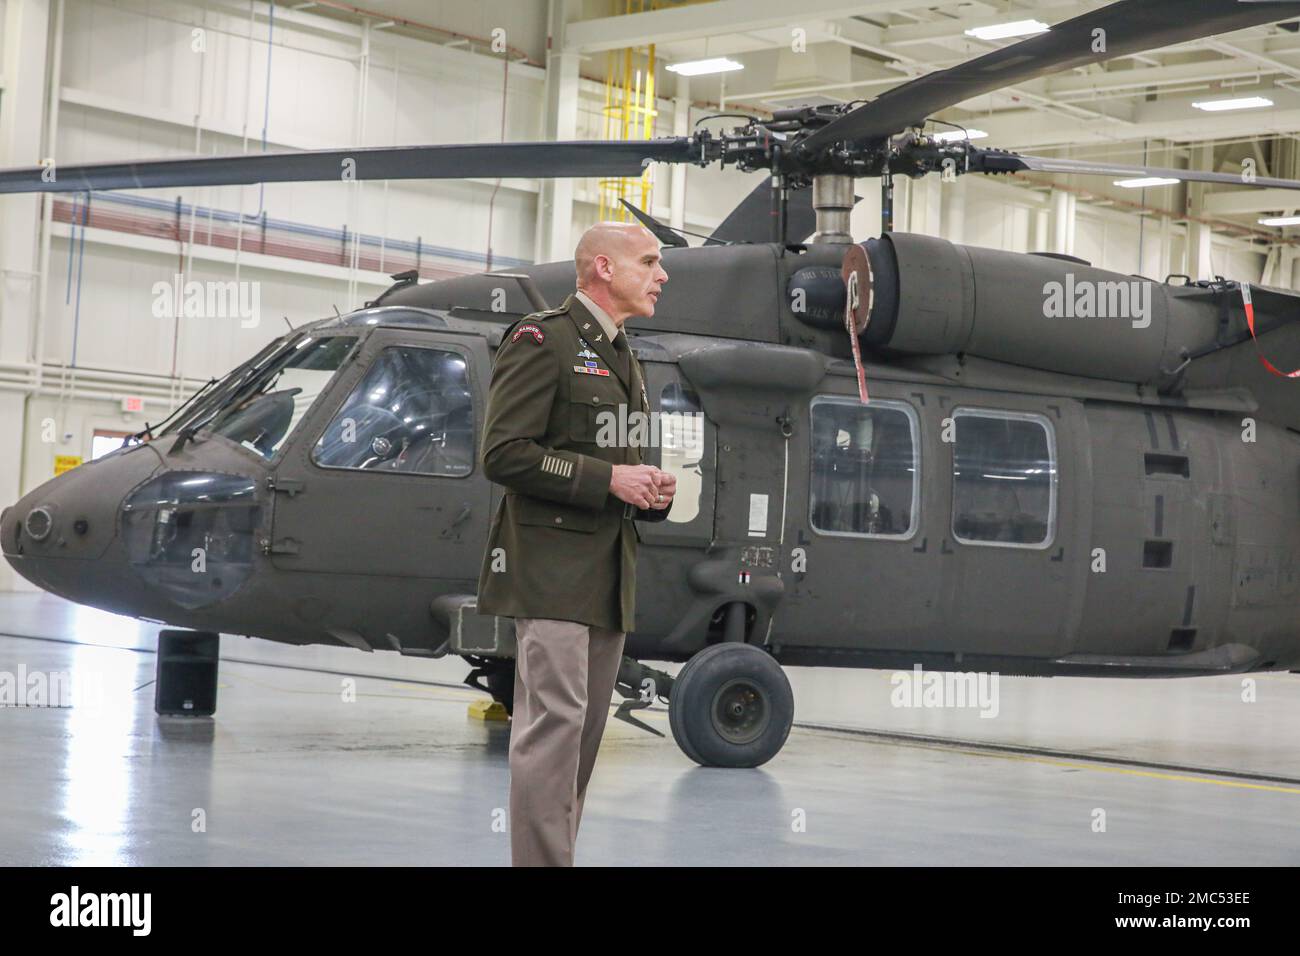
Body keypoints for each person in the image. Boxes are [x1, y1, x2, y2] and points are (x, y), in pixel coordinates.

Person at [476, 221, 677, 866]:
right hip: (552, 573)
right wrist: (609, 479)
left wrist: (648, 489)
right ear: (604, 268)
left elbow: (615, 466)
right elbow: (504, 453)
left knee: (583, 740)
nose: (662, 275)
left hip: (608, 576)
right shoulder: (543, 340)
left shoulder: (624, 356)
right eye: (649, 262)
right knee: (554, 731)